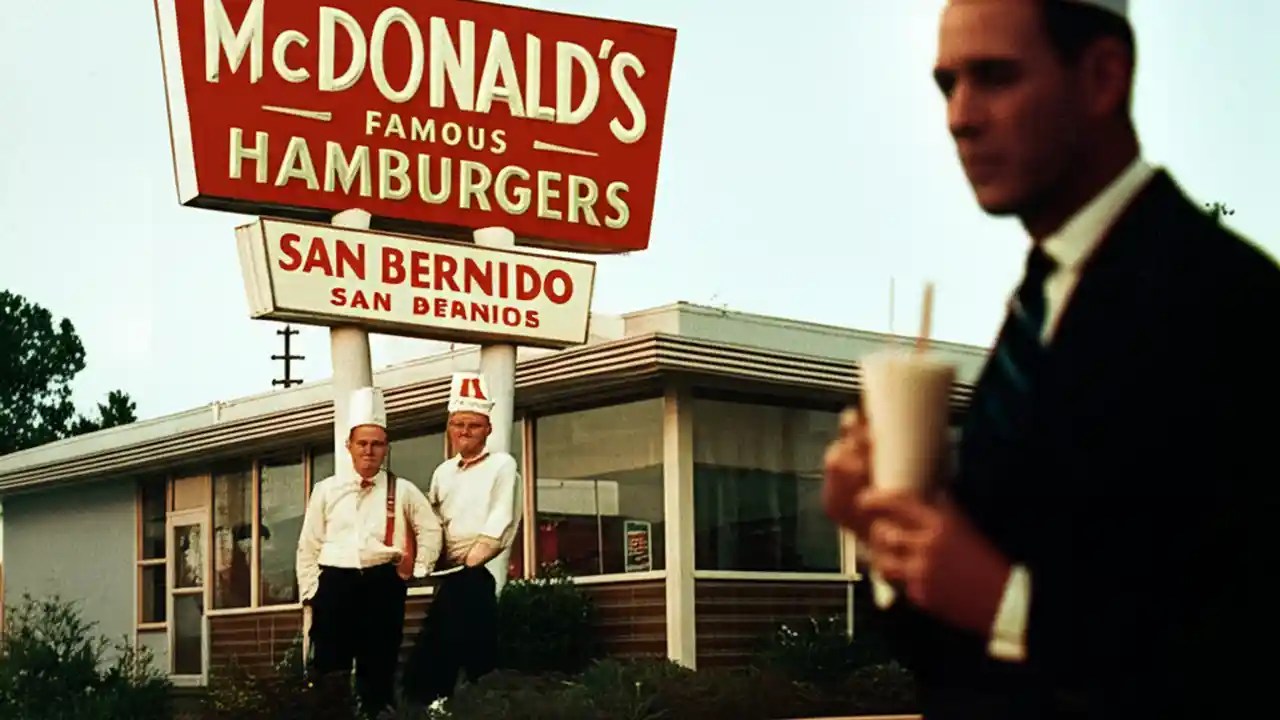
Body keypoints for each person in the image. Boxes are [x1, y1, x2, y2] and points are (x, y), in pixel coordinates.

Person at [823, 1, 1280, 718]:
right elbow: (950, 653)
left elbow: (1242, 646)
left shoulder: (1233, 305)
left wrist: (1008, 604)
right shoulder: (1038, 311)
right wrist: (889, 537)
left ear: (1101, 78)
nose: (959, 117)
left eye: (995, 77)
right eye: (948, 84)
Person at [296, 386, 442, 718]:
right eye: (362, 443)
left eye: (377, 444)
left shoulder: (401, 489)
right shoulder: (326, 490)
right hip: (334, 583)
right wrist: (312, 590)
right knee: (328, 669)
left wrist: (418, 568)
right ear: (349, 446)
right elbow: (308, 544)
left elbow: (430, 528)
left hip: (382, 583)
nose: (369, 451)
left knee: (379, 665)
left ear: (386, 448)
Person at [403, 371, 521, 706]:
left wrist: (473, 558)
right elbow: (433, 520)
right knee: (442, 645)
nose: (464, 431)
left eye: (473, 424)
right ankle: (437, 704)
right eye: (457, 424)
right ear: (449, 428)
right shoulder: (443, 471)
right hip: (448, 572)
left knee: (471, 649)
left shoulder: (501, 465)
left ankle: (476, 705)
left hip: (474, 571)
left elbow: (502, 515)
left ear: (488, 429)